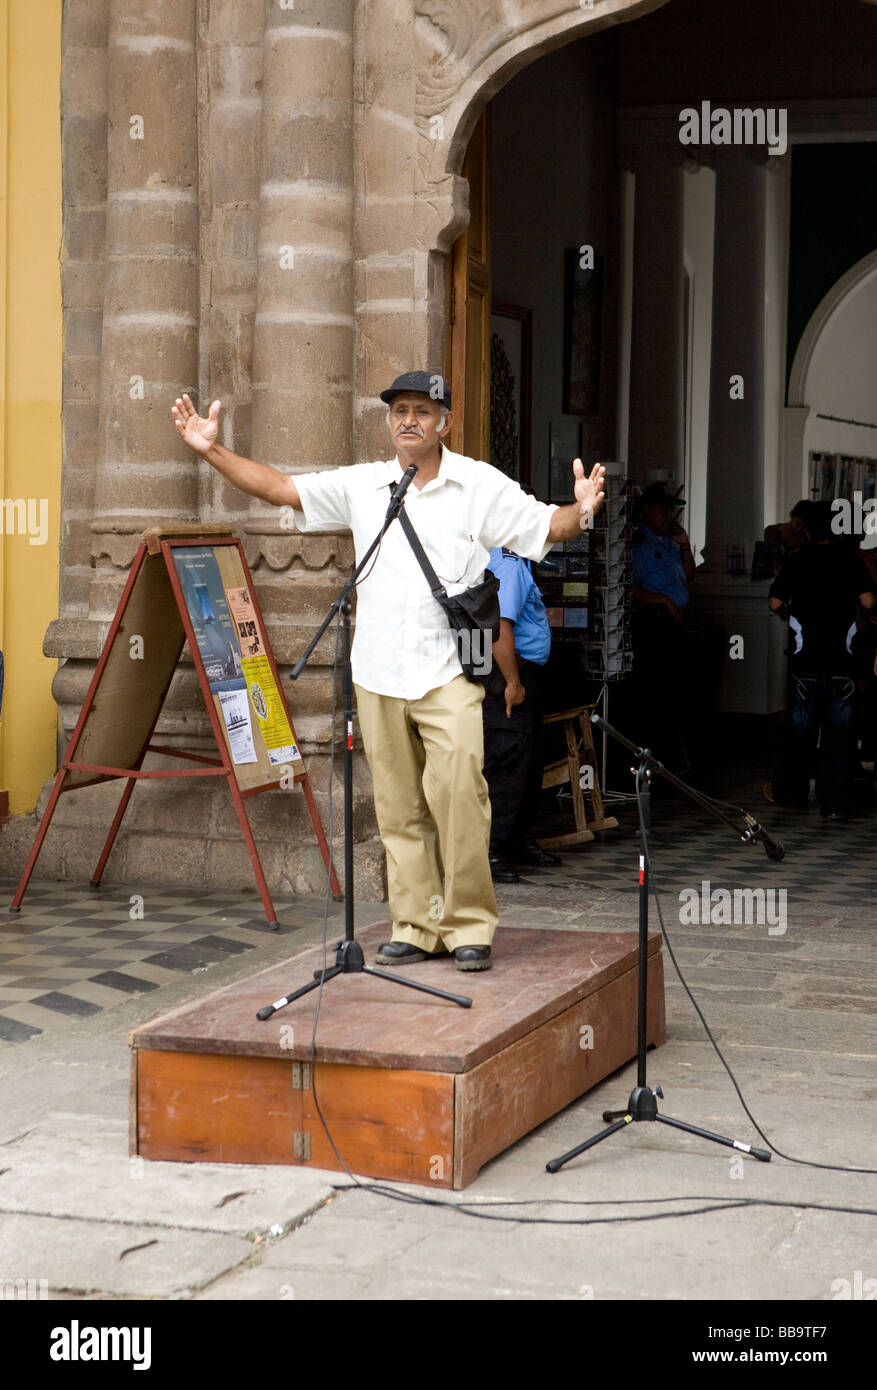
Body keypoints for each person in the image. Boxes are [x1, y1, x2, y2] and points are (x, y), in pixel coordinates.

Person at [171, 371, 605, 970]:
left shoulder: (476, 484)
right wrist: (210, 449)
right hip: (376, 671)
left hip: (447, 672)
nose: (409, 420)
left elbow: (545, 528)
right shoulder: (366, 485)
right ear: (389, 422)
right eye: (400, 410)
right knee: (399, 808)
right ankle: (416, 923)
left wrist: (581, 512)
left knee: (460, 798)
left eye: (422, 411)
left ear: (444, 422)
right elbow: (279, 489)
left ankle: (469, 926)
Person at [768, 501, 876, 820]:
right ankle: (834, 802)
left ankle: (794, 796)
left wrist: (792, 618)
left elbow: (774, 601)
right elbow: (870, 601)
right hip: (843, 662)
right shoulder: (851, 562)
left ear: (810, 532)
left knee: (801, 731)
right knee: (838, 735)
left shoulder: (797, 561)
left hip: (805, 662)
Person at [482, 547, 558, 885]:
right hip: (512, 672)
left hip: (528, 672)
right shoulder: (510, 566)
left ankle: (518, 839)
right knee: (508, 763)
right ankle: (491, 851)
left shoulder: (521, 563)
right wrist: (512, 682)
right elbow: (500, 626)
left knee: (529, 763)